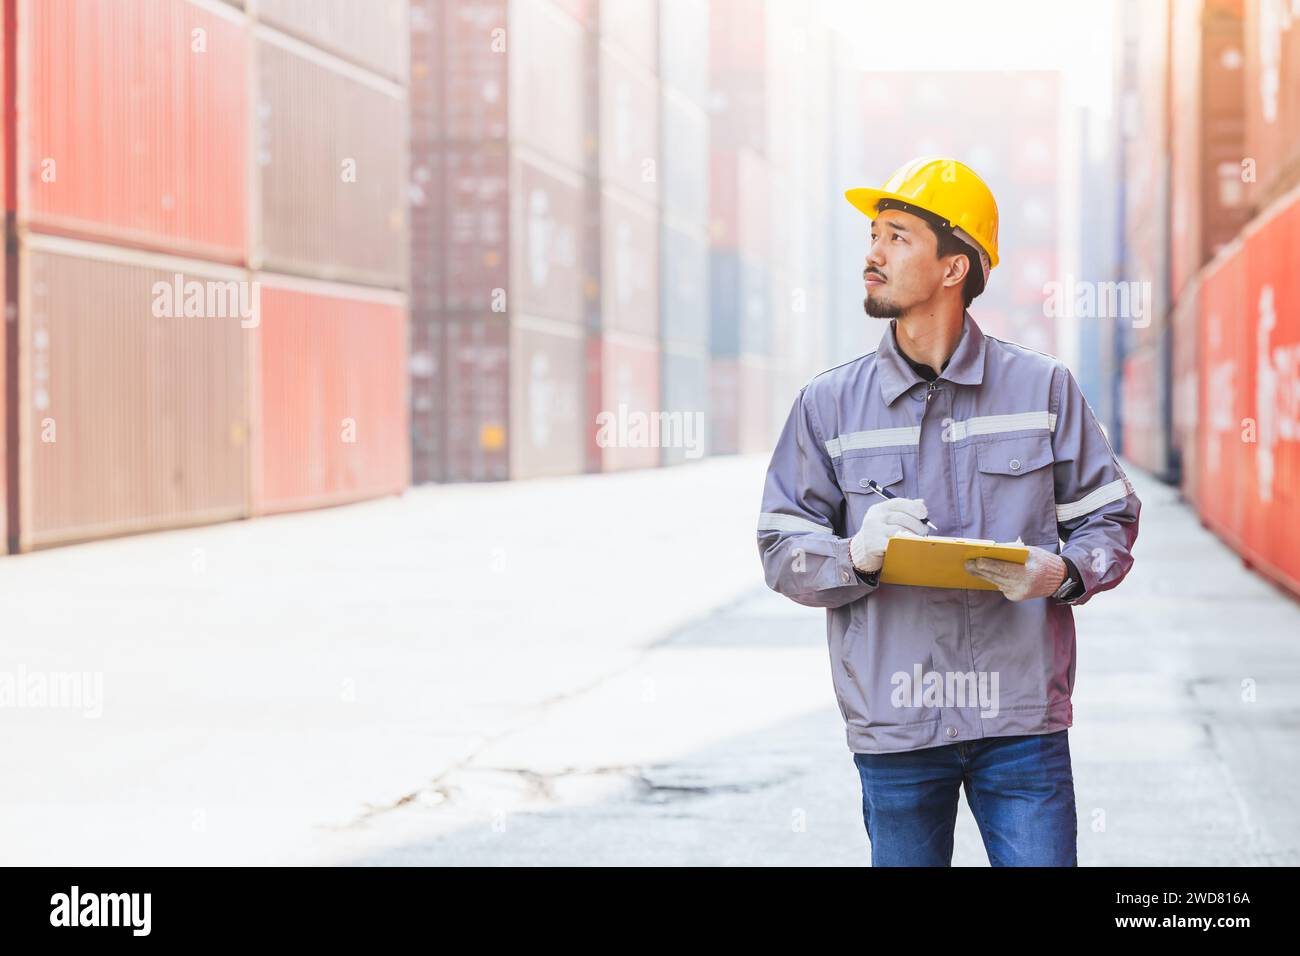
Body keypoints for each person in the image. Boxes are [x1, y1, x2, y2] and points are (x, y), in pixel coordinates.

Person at [755, 157, 1141, 866]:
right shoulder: (828, 404)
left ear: (954, 267)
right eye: (874, 233)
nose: (872, 253)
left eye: (897, 236)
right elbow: (781, 545)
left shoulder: (1043, 389)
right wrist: (856, 554)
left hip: (1020, 723)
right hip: (897, 727)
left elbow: (1109, 520)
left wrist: (1063, 573)